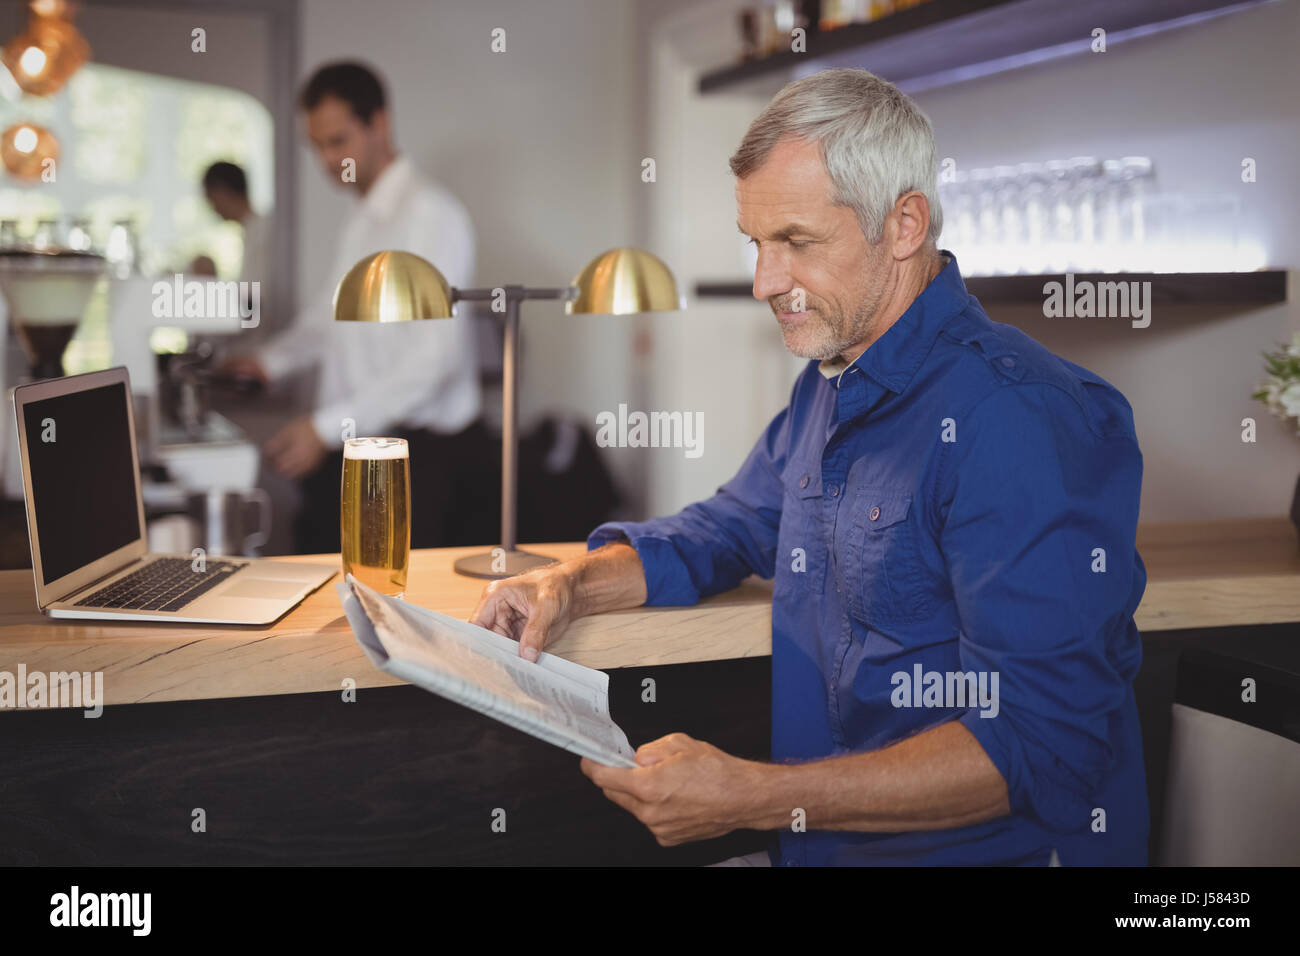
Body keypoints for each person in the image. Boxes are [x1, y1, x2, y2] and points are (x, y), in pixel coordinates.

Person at [469, 68, 1149, 867]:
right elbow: (729, 528)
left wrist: (754, 797)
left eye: (796, 241)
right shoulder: (830, 380)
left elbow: (1044, 746)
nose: (765, 282)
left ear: (902, 225)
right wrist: (570, 583)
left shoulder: (1020, 418)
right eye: (756, 243)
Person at [218, 61, 490, 553]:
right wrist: (269, 361)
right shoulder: (363, 219)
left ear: (378, 124)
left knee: (401, 615)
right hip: (362, 446)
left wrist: (322, 430)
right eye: (317, 146)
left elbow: (437, 359)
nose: (326, 159)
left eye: (337, 141)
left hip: (421, 461)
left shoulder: (432, 216)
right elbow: (332, 315)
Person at [200, 160, 269, 287]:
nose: (212, 208)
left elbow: (252, 292)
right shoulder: (252, 230)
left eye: (210, 198)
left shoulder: (262, 232)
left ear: (221, 192)